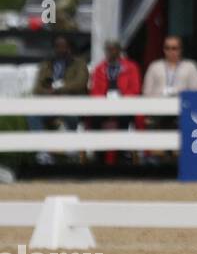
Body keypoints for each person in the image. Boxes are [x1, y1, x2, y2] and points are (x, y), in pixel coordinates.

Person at [29, 35, 89, 164]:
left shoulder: (79, 64)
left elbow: (80, 83)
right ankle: (43, 151)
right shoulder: (46, 64)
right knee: (33, 115)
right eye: (57, 46)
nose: (60, 49)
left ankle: (71, 148)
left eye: (64, 46)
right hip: (50, 103)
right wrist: (48, 92)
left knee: (70, 115)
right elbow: (37, 88)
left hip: (71, 101)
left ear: (70, 48)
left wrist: (60, 90)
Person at [88, 39, 143, 165]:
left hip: (125, 107)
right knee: (95, 120)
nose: (110, 52)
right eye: (108, 50)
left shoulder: (131, 67)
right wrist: (105, 103)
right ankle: (99, 155)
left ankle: (121, 154)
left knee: (123, 119)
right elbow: (94, 91)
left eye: (113, 49)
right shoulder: (99, 69)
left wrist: (120, 101)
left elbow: (135, 89)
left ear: (119, 51)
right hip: (103, 107)